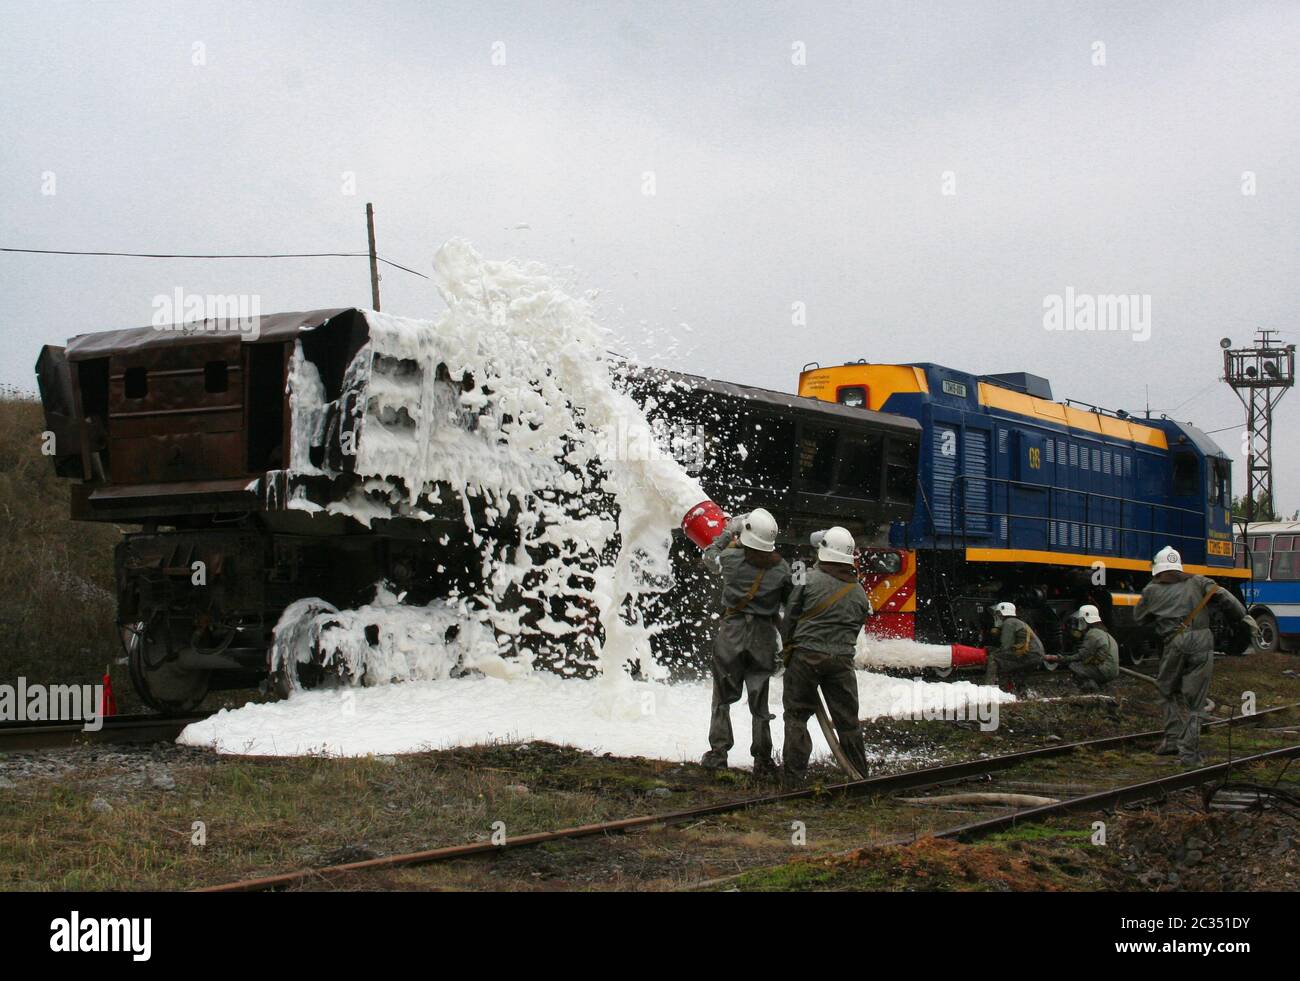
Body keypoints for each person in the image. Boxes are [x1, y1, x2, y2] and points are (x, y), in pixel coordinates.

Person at [1134, 546, 1259, 768]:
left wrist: (1163, 616)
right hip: (1202, 641)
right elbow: (1224, 596)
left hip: (1174, 642)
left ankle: (1172, 739)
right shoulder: (1199, 581)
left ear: (1158, 569)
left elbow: (1140, 618)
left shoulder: (1151, 590)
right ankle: (1189, 754)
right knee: (1196, 702)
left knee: (1166, 690)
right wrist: (1242, 617)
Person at [699, 507, 793, 775]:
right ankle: (763, 759)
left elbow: (709, 557)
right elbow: (790, 601)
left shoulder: (730, 558)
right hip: (763, 636)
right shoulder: (781, 568)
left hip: (732, 632)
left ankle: (718, 753)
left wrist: (727, 532)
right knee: (759, 700)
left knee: (722, 697)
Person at [780, 526, 873, 785]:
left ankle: (794, 780)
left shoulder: (807, 579)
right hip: (841, 663)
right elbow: (855, 628)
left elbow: (790, 616)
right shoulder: (859, 592)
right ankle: (860, 776)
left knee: (797, 716)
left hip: (805, 658)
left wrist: (788, 649)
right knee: (848, 722)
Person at [1045, 604, 1119, 691]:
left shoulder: (1092, 634)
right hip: (1112, 670)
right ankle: (1101, 686)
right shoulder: (1103, 633)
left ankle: (1091, 688)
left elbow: (1081, 656)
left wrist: (1059, 658)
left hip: (1105, 671)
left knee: (1074, 667)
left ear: (1084, 620)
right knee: (1087, 666)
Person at [983, 601, 1045, 690]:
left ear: (1003, 614)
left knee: (993, 657)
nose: (997, 616)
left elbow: (1006, 647)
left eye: (998, 614)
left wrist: (991, 650)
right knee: (1016, 678)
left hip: (1028, 655)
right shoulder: (1016, 622)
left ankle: (988, 689)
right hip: (1035, 655)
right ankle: (1022, 693)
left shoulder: (1009, 622)